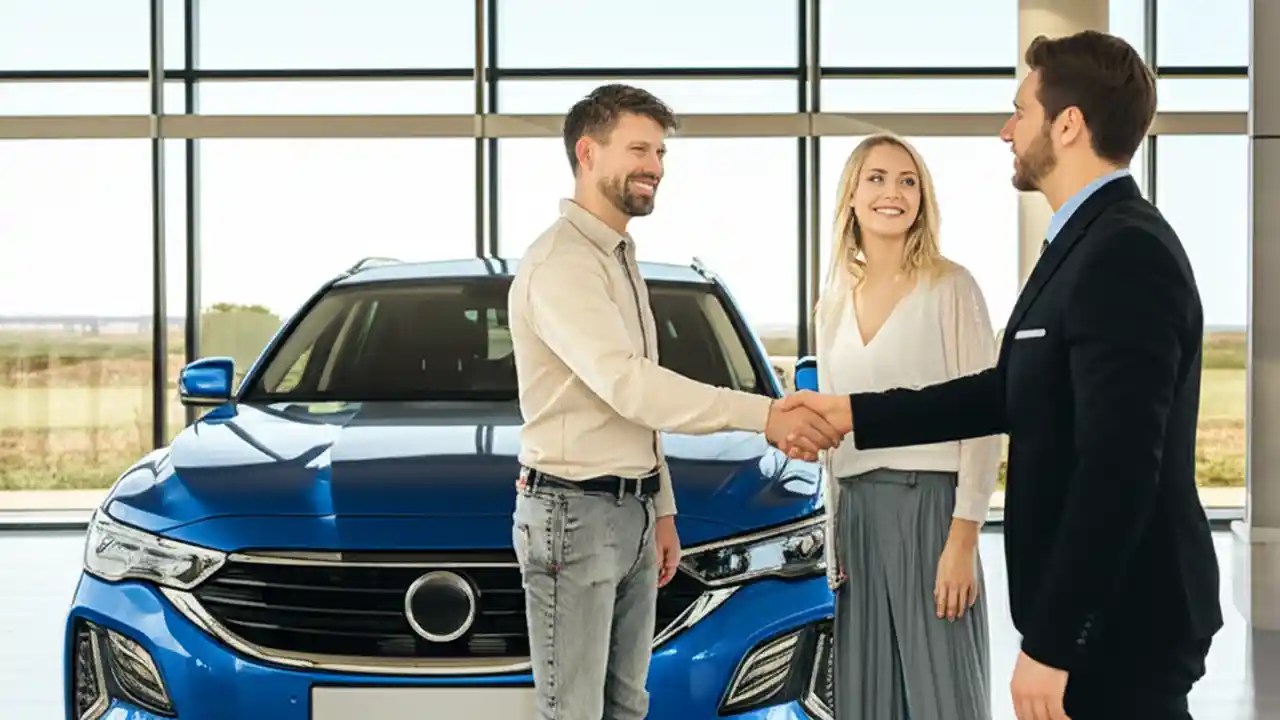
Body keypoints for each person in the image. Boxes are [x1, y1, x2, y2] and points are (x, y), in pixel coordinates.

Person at [781, 31, 1223, 720]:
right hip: (1102, 623)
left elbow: (1120, 468)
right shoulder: (1081, 244)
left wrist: (1054, 643)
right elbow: (1005, 392)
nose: (1006, 129)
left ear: (1067, 125)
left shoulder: (1123, 250)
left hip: (1123, 625)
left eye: (1021, 111)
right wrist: (854, 413)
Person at [505, 84, 843, 720]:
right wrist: (765, 413)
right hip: (571, 515)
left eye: (660, 152)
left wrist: (660, 509)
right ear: (587, 152)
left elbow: (636, 408)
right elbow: (630, 385)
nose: (655, 166)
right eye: (639, 148)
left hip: (627, 512)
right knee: (574, 710)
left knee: (628, 705)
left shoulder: (620, 257)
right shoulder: (562, 263)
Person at [814, 132, 1002, 720]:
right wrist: (834, 534)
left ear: (923, 198)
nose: (891, 192)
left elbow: (987, 417)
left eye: (907, 180)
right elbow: (833, 431)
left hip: (932, 513)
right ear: (850, 195)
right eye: (876, 178)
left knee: (943, 696)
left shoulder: (952, 287)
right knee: (867, 700)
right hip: (859, 515)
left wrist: (963, 540)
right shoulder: (834, 301)